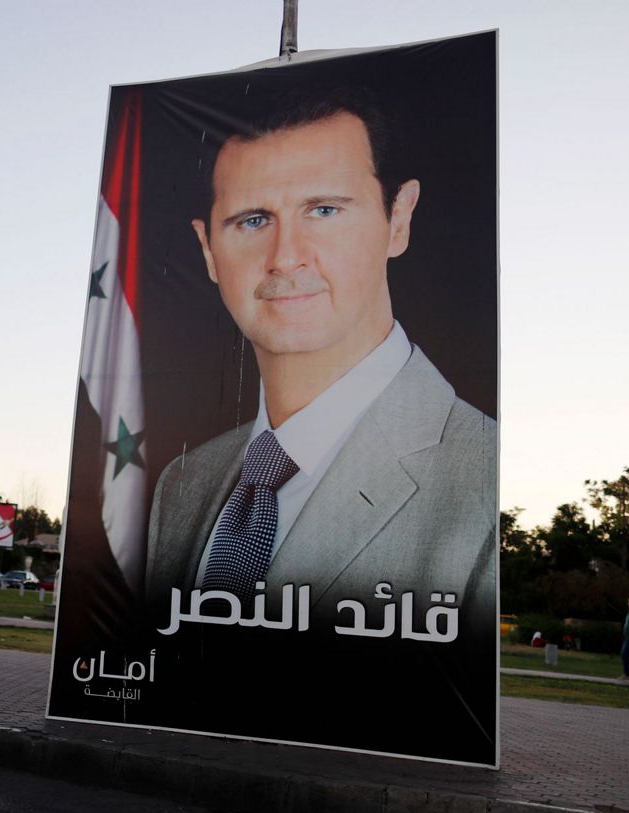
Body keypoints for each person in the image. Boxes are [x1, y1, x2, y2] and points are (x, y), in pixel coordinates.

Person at [139, 87, 497, 764]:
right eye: (251, 220)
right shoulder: (185, 483)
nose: (285, 257)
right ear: (207, 249)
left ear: (399, 219)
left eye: (324, 210)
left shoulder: (480, 478)